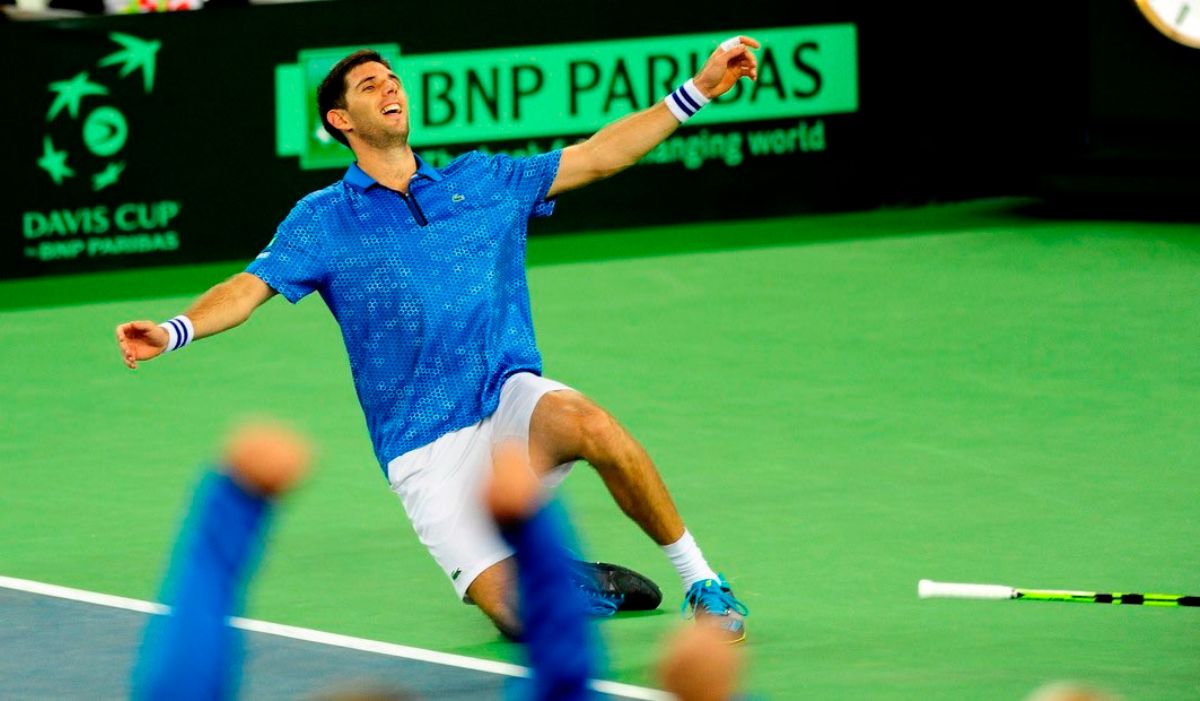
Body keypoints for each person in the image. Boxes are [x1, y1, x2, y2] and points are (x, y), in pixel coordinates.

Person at [116, 35, 759, 641]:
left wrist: (699, 89)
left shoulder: (483, 181)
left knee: (589, 423)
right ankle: (565, 582)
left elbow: (598, 156)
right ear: (342, 121)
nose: (390, 89)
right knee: (520, 622)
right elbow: (247, 288)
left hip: (507, 404)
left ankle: (702, 581)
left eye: (393, 80)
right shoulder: (321, 220)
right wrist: (174, 331)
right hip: (422, 451)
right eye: (370, 86)